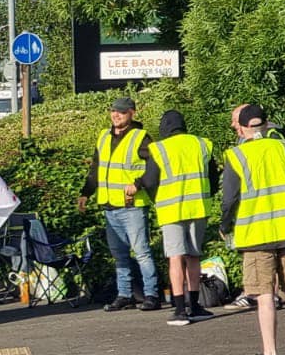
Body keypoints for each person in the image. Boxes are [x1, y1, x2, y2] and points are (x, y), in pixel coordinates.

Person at [221, 104, 285, 355]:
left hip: (256, 234)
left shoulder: (237, 155)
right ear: (265, 124)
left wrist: (224, 225)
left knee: (264, 294)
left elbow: (230, 199)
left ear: (242, 128)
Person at [136, 110, 219, 327]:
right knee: (193, 256)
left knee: (175, 257)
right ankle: (196, 304)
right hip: (199, 207)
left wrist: (158, 199)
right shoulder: (202, 144)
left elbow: (151, 180)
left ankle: (180, 308)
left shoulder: (159, 148)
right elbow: (213, 175)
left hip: (171, 210)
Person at [77, 96, 160, 311]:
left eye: (121, 112)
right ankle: (124, 294)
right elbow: (96, 168)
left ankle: (151, 294)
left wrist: (139, 183)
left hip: (131, 206)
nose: (116, 115)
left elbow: (155, 166)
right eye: (113, 111)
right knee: (119, 255)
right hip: (109, 205)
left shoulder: (141, 137)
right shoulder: (104, 136)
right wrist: (86, 193)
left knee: (141, 252)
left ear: (132, 113)